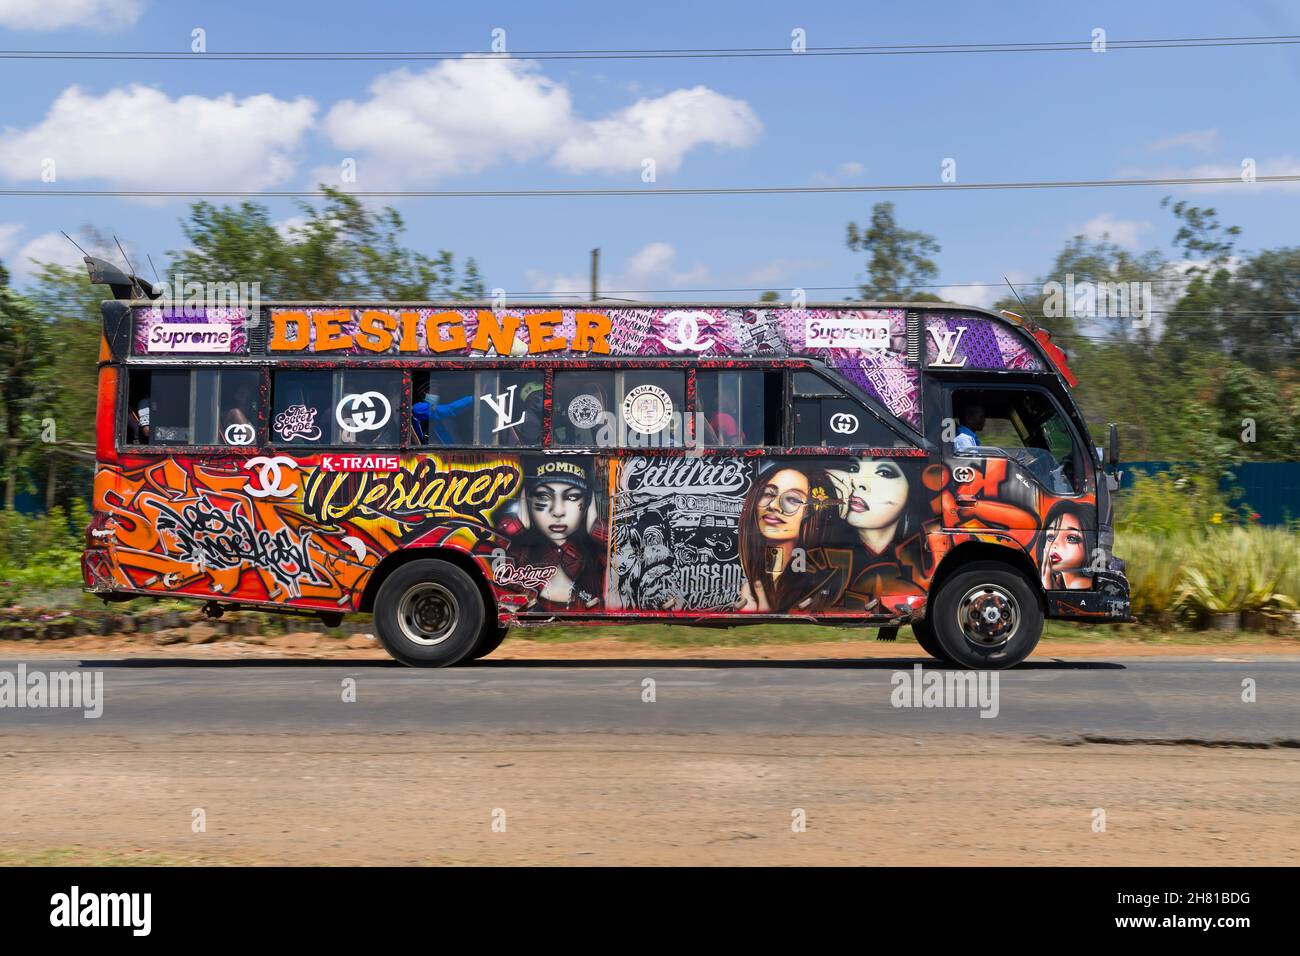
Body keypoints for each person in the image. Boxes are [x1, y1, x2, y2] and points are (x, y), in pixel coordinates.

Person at [496, 457, 606, 610]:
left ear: (588, 501)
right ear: (527, 499)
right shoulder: (519, 552)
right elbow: (493, 554)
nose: (558, 511)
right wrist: (517, 523)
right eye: (543, 497)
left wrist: (595, 528)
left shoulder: (596, 557)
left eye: (572, 497)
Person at [1038, 501, 1095, 590]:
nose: (1054, 544)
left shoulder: (1079, 585)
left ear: (1091, 545)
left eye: (1071, 538)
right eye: (1051, 537)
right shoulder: (1061, 582)